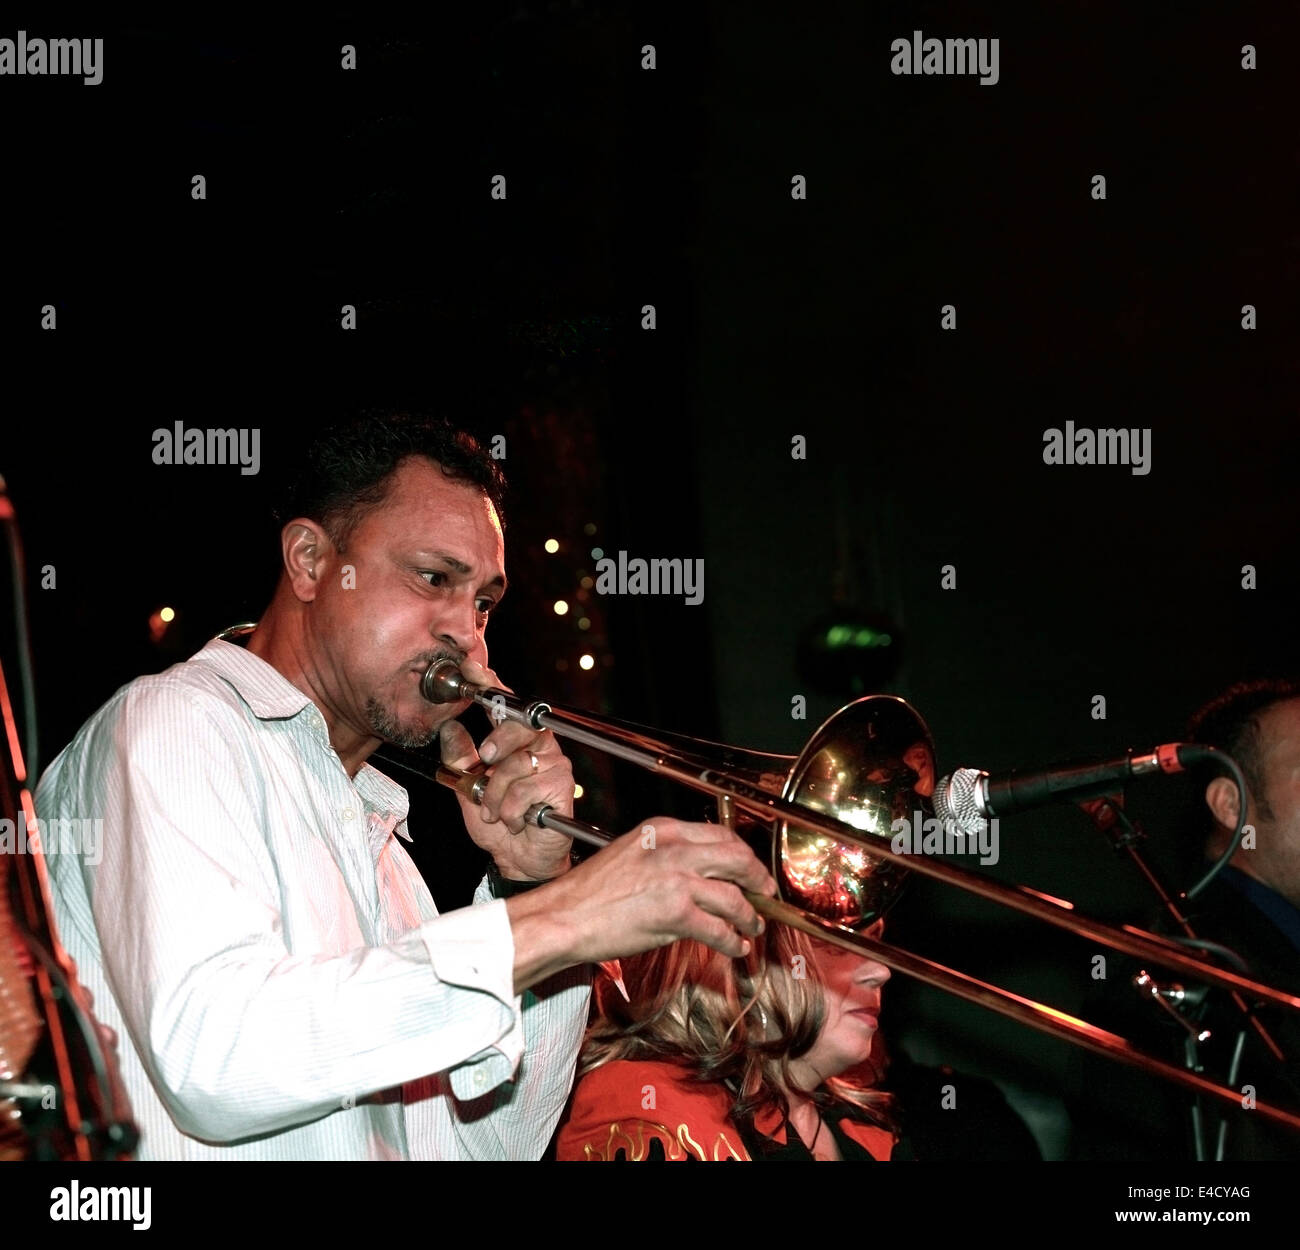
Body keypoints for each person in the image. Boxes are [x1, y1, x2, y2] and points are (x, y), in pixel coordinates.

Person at [33, 415, 775, 1160]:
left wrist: (525, 887)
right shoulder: (177, 723)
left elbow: (496, 1146)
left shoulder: (389, 856)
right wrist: (563, 918)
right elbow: (215, 1062)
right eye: (433, 578)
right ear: (310, 561)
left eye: (483, 601)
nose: (468, 633)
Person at [556, 920, 898, 1161]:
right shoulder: (647, 1105)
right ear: (741, 961)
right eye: (840, 942)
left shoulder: (871, 1132)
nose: (881, 970)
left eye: (872, 941)